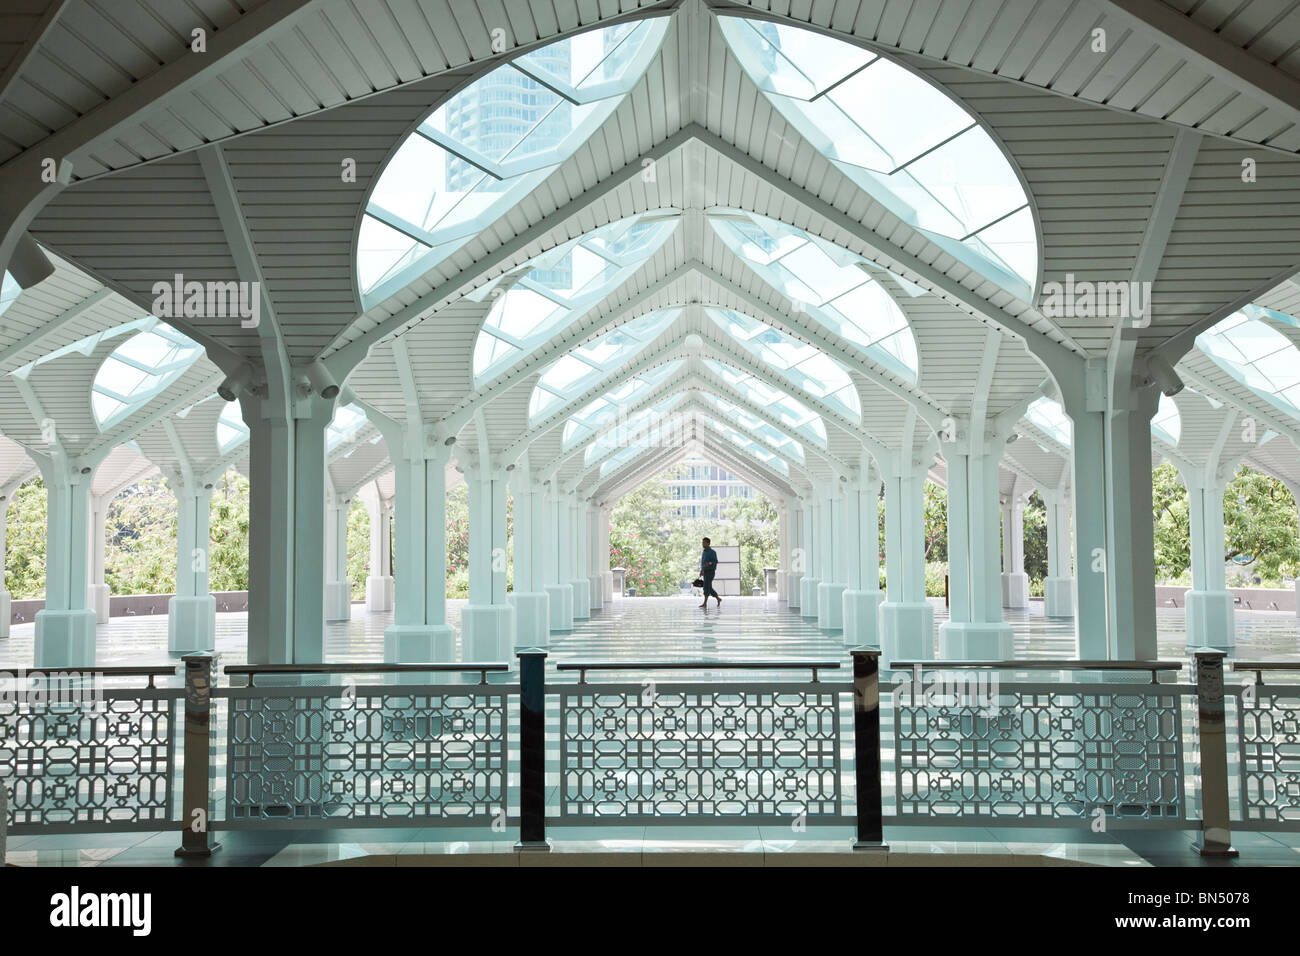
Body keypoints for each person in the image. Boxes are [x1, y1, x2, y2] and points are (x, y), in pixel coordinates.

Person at [698, 537, 721, 609]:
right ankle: (718, 598)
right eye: (702, 542)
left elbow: (715, 561)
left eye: (704, 542)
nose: (703, 544)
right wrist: (702, 570)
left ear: (708, 543)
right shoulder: (704, 552)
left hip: (710, 572)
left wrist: (709, 563)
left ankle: (705, 603)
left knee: (706, 587)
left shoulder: (712, 552)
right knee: (709, 587)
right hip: (705, 572)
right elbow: (703, 563)